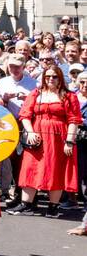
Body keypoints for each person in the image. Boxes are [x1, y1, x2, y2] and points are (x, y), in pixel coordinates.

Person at [12, 63, 80, 216]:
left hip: (59, 139)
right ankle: (26, 204)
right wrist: (30, 132)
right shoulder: (35, 94)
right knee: (30, 168)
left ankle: (53, 206)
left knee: (55, 169)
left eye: (54, 76)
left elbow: (74, 120)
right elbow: (25, 115)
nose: (51, 79)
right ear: (43, 78)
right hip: (36, 137)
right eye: (47, 76)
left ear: (60, 78)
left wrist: (69, 141)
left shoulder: (69, 96)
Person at [0, 55, 36, 203]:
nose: (14, 69)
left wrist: (28, 99)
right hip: (8, 123)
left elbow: (39, 103)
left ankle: (24, 193)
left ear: (23, 66)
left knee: (26, 159)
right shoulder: (1, 82)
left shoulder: (33, 82)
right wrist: (4, 99)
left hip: (28, 123)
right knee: (10, 159)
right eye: (11, 66)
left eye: (17, 66)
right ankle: (14, 191)